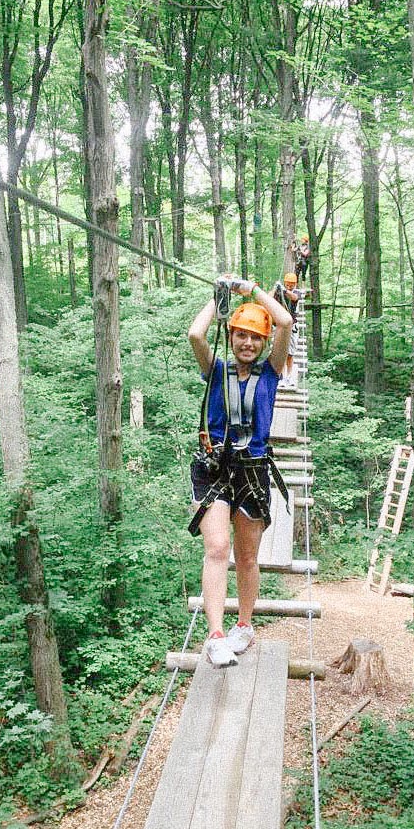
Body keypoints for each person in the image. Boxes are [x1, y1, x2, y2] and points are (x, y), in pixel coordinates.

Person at [187, 275, 294, 667]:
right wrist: (220, 299)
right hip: (215, 469)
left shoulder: (271, 373)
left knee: (247, 557)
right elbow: (196, 334)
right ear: (231, 337)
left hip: (252, 471)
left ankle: (244, 626)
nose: (248, 343)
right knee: (217, 550)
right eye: (241, 336)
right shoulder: (215, 370)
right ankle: (216, 634)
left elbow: (284, 322)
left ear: (264, 344)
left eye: (255, 338)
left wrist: (250, 291)